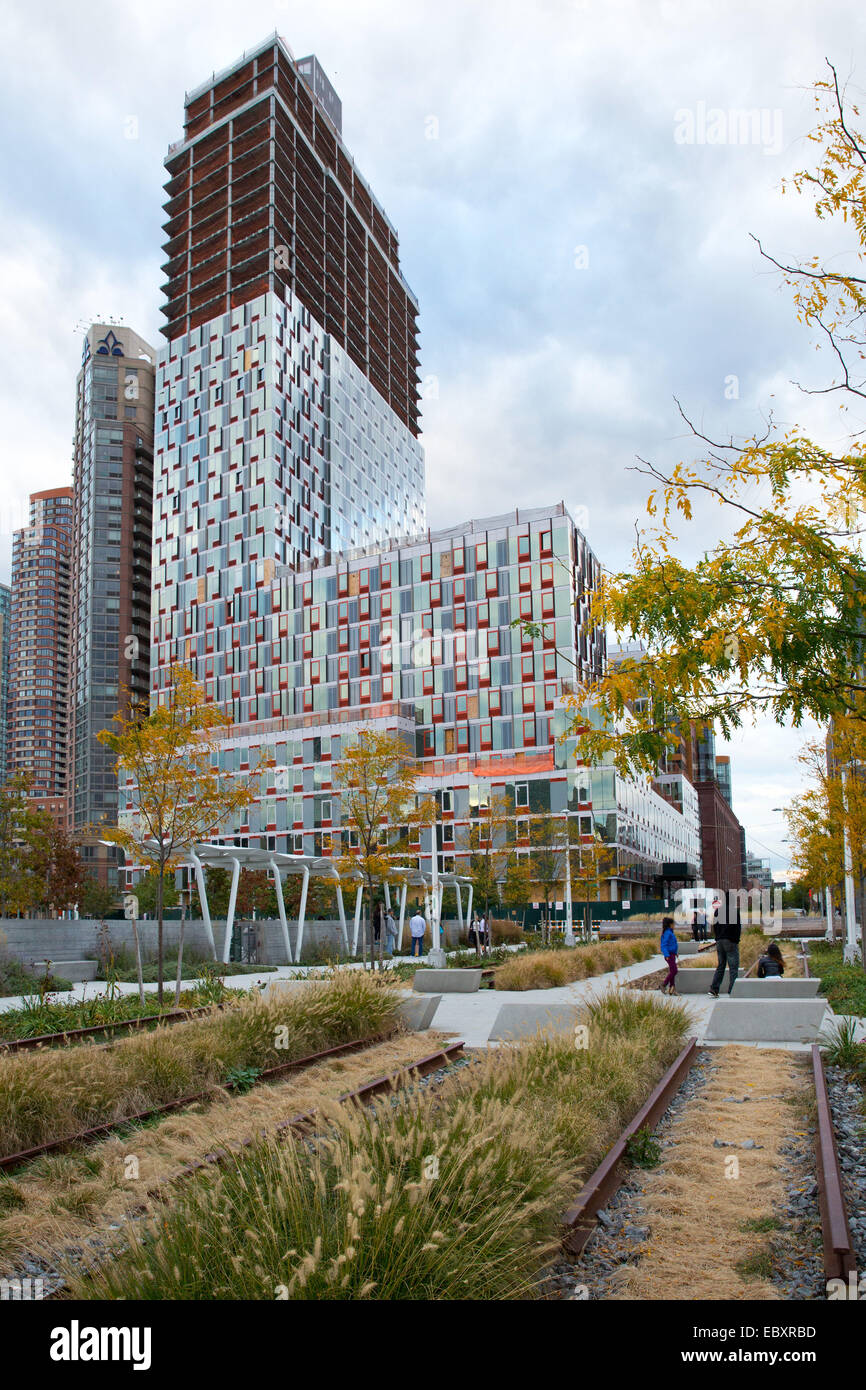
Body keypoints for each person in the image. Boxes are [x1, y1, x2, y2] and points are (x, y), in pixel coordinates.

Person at [708, 892, 742, 998]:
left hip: (719, 941)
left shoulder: (718, 910)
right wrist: (736, 940)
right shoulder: (734, 911)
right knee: (733, 967)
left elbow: (714, 925)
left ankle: (714, 989)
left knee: (721, 966)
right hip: (730, 941)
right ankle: (732, 991)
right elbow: (737, 927)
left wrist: (717, 938)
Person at [660, 916, 679, 995]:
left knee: (672, 971)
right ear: (670, 925)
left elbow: (672, 944)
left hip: (672, 954)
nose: (674, 926)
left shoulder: (670, 932)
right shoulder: (667, 933)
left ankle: (672, 988)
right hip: (669, 955)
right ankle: (664, 984)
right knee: (674, 970)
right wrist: (667, 954)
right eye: (673, 924)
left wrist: (675, 952)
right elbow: (664, 945)